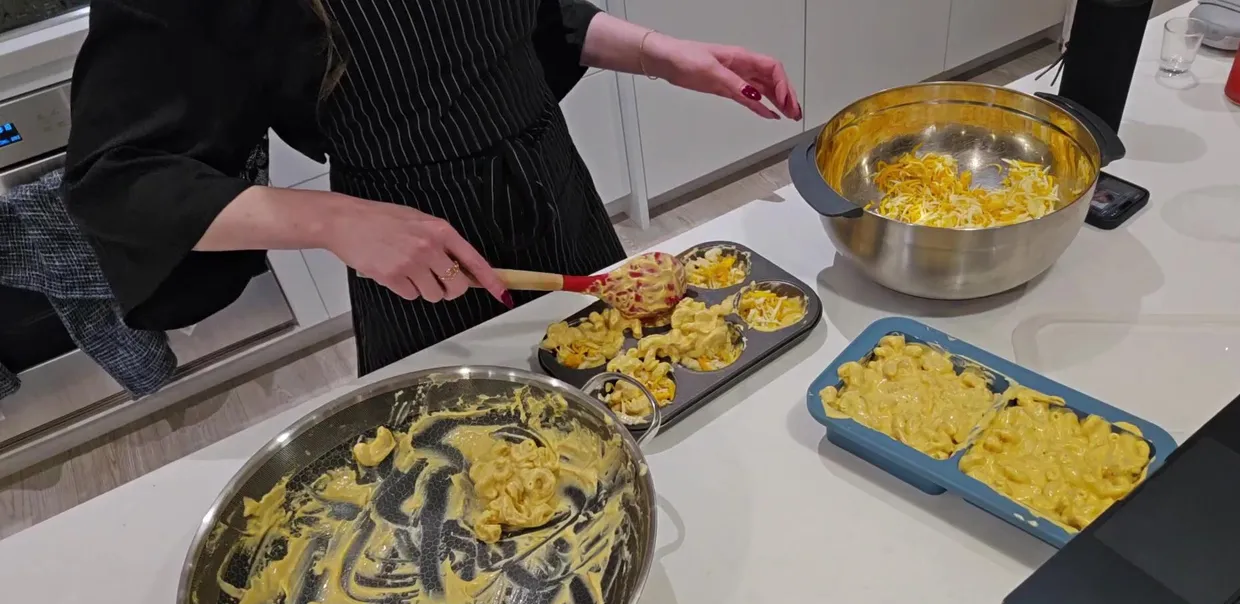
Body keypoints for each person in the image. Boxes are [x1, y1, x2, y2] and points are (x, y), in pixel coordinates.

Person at [64, 0, 802, 376]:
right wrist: (334, 220)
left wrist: (658, 53)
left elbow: (535, 18)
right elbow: (119, 177)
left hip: (557, 192)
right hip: (424, 264)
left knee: (632, 386)